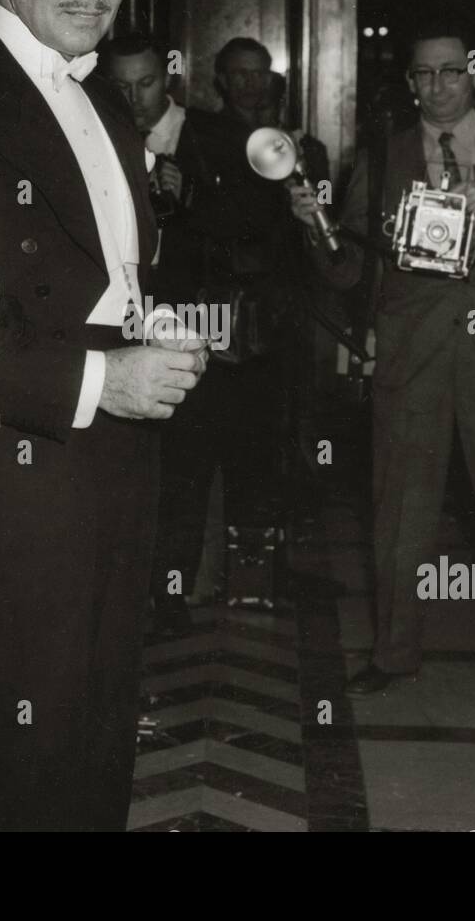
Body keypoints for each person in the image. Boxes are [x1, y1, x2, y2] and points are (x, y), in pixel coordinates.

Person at [0, 0, 207, 830]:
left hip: (116, 465)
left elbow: (103, 274)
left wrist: (147, 321)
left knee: (97, 730)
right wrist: (98, 380)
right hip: (18, 473)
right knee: (17, 754)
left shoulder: (97, 100)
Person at [290, 18, 475, 695]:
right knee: (401, 511)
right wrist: (313, 226)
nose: (439, 86)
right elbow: (348, 270)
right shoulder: (383, 158)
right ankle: (393, 652)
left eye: (452, 71)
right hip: (413, 355)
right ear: (409, 85)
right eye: (424, 74)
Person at [101, 32, 291, 633]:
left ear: (173, 79)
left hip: (214, 327)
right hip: (127, 327)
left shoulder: (222, 139)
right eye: (122, 86)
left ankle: (213, 589)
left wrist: (192, 210)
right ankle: (162, 591)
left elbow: (264, 230)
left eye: (148, 83)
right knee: (161, 468)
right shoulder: (99, 138)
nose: (136, 98)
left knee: (215, 457)